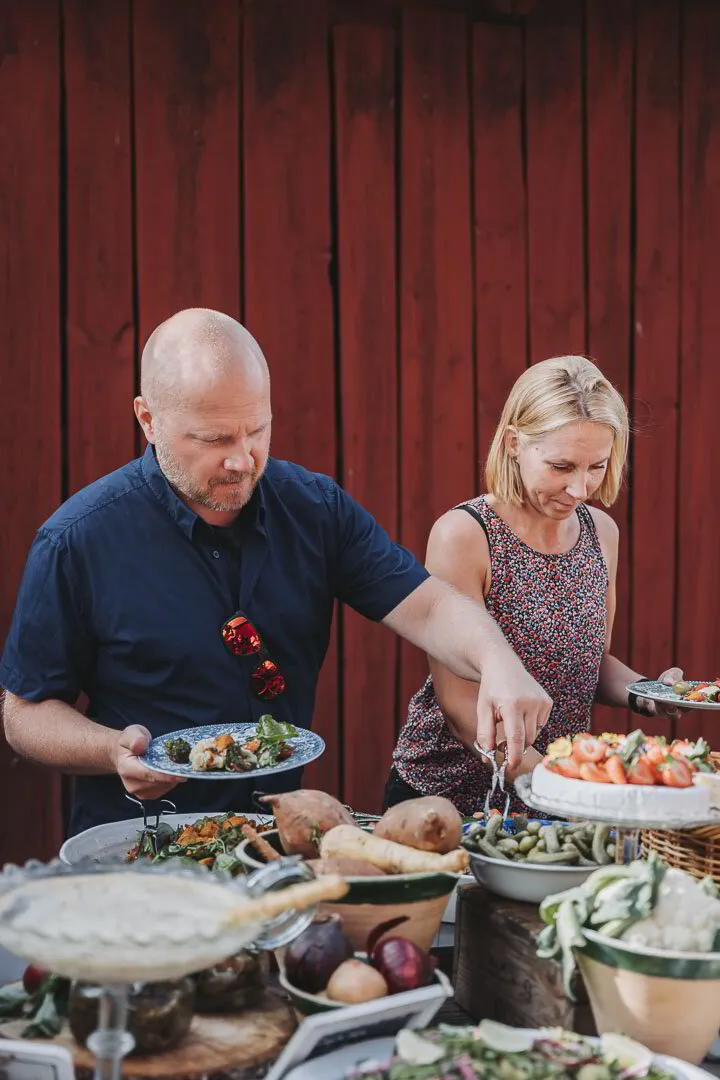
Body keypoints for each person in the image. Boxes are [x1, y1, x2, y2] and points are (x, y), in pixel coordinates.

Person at [1, 308, 551, 836]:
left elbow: (429, 606)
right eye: (215, 439)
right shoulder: (78, 539)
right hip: (136, 845)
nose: (242, 459)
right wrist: (109, 749)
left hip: (270, 841)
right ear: (148, 418)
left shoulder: (315, 508)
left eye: (256, 430)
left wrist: (497, 659)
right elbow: (24, 713)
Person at [385, 355, 685, 816]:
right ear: (512, 444)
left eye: (597, 467)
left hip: (558, 795)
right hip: (449, 797)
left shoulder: (601, 532)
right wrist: (562, 784)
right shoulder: (465, 534)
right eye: (561, 467)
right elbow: (459, 706)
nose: (581, 489)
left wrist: (649, 694)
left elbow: (588, 662)